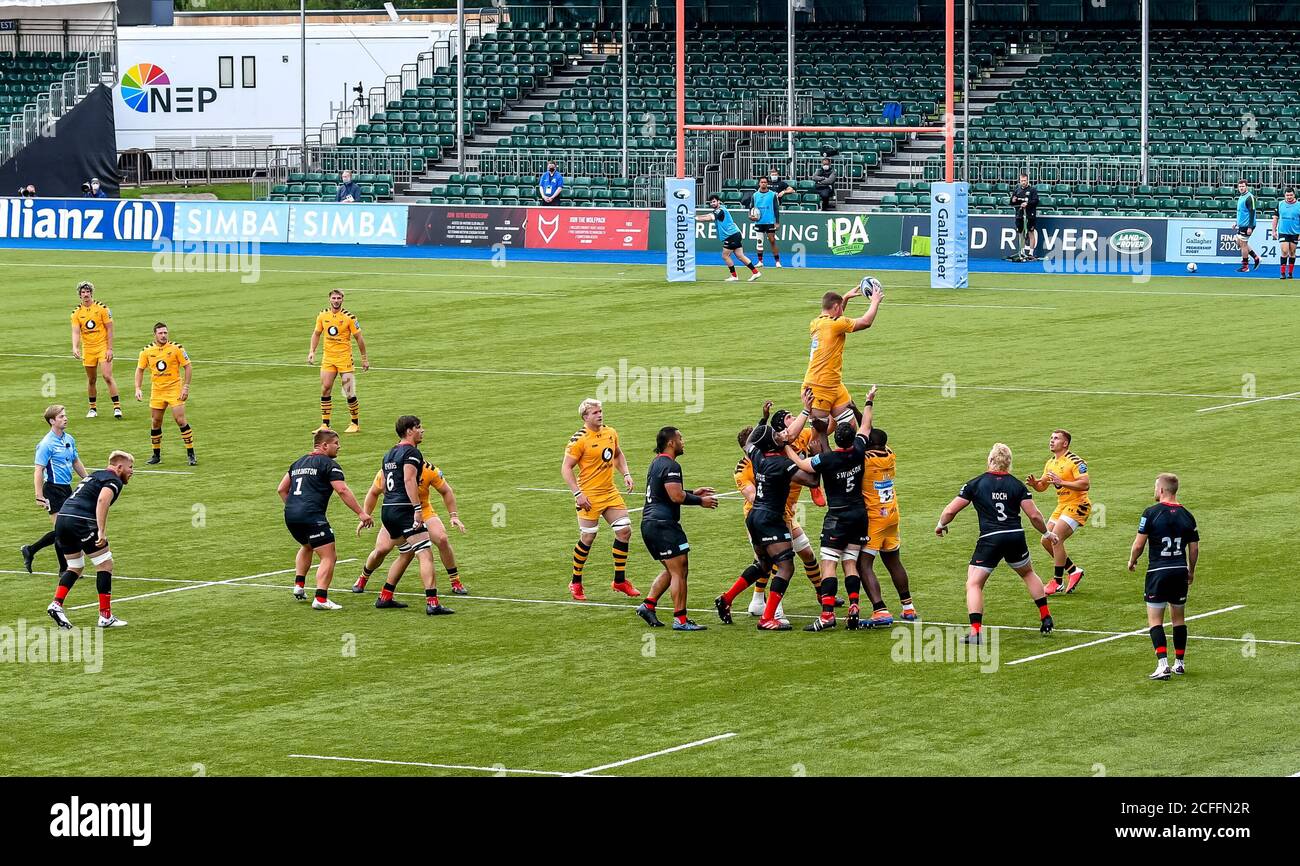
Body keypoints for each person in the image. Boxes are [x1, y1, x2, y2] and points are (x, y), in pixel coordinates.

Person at [935, 443, 1056, 644]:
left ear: (990, 460)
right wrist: (1047, 533)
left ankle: (975, 632)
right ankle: (1046, 617)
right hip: (1015, 536)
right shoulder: (1017, 485)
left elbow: (950, 511)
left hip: (990, 539)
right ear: (1009, 463)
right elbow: (1034, 515)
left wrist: (941, 525)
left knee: (974, 583)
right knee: (1027, 573)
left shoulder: (976, 483)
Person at [714, 400, 818, 631]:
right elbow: (812, 480)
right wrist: (815, 457)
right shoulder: (782, 463)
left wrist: (763, 420)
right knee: (786, 566)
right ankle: (768, 617)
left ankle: (727, 598)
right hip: (772, 518)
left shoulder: (758, 457)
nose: (781, 435)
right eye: (776, 435)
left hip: (756, 517)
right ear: (772, 442)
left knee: (763, 564)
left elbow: (750, 442)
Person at [790, 387, 880, 632]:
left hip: (838, 517)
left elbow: (800, 463)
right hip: (859, 515)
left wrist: (784, 445)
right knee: (850, 562)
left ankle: (827, 615)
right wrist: (868, 402)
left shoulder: (827, 461)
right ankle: (854, 606)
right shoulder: (860, 451)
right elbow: (866, 427)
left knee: (829, 564)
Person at [278, 429, 373, 610]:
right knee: (329, 556)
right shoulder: (329, 464)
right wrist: (361, 513)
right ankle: (321, 599)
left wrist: (293, 506)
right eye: (336, 443)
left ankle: (299, 586)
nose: (339, 447)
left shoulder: (297, 463)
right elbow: (342, 490)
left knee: (307, 545)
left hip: (291, 515)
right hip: (312, 516)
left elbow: (281, 489)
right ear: (324, 445)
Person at [634, 426, 718, 631]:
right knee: (679, 571)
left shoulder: (657, 463)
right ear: (671, 443)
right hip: (663, 525)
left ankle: (648, 605)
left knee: (675, 569)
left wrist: (691, 491)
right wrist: (700, 501)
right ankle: (680, 620)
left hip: (652, 524)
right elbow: (676, 497)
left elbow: (668, 492)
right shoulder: (671, 465)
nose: (683, 441)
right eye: (680, 438)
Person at [45, 450, 134, 630]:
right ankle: (105, 616)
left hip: (63, 520)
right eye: (130, 467)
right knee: (105, 565)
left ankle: (56, 605)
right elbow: (102, 501)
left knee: (75, 566)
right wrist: (101, 530)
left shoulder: (94, 476)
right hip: (81, 522)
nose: (132, 471)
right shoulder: (113, 480)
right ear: (119, 467)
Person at [353, 459, 468, 597]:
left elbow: (446, 491)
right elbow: (373, 492)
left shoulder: (428, 469)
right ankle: (363, 577)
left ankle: (455, 581)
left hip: (423, 511)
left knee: (442, 539)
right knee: (381, 550)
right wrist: (366, 515)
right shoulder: (388, 470)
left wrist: (453, 516)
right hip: (398, 513)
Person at [376, 415, 455, 615]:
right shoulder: (411, 453)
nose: (422, 431)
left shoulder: (389, 454)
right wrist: (417, 510)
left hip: (388, 509)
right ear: (409, 431)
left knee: (406, 552)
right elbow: (410, 480)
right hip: (404, 510)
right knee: (425, 554)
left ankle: (385, 597)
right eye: (419, 427)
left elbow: (384, 485)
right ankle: (433, 603)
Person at [562, 398, 638, 601]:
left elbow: (618, 454)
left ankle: (619, 581)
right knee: (588, 537)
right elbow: (566, 468)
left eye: (601, 411)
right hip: (589, 495)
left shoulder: (610, 432)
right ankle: (576, 582)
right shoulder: (578, 439)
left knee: (624, 531)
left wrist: (626, 474)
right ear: (585, 417)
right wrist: (578, 494)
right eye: (595, 412)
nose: (600, 415)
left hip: (610, 492)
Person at [1128, 473, 1199, 680]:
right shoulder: (1188, 515)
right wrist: (1191, 570)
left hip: (1158, 572)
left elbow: (1139, 544)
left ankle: (1162, 665)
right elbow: (1194, 549)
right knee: (1178, 618)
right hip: (1179, 570)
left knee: (1155, 620)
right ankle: (1180, 663)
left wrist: (1132, 560)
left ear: (1161, 490)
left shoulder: (1151, 513)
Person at [802, 277, 884, 432]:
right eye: (840, 307)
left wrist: (844, 299)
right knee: (819, 435)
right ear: (835, 307)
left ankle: (844, 455)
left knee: (850, 427)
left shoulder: (816, 322)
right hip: (818, 386)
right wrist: (875, 301)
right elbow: (866, 322)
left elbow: (836, 319)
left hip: (835, 384)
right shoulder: (835, 324)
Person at [858, 419, 917, 625]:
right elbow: (870, 433)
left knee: (863, 564)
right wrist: (862, 411)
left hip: (875, 518)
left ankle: (880, 609)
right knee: (893, 561)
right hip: (892, 515)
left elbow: (861, 440)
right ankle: (908, 608)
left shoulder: (865, 460)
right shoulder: (889, 455)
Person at [21, 405, 88, 576]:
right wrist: (39, 495)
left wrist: (87, 480)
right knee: (62, 530)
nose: (65, 419)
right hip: (52, 489)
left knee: (66, 529)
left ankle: (31, 549)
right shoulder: (46, 444)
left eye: (65, 416)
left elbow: (75, 461)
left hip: (66, 488)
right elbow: (38, 470)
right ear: (52, 421)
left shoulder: (69, 439)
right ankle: (64, 569)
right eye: (61, 417)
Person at [1025, 429, 1090, 595]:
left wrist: (1063, 482)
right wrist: (1035, 484)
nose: (1051, 441)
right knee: (1046, 540)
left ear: (1065, 443)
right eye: (1051, 438)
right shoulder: (1050, 463)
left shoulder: (1075, 461)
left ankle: (1057, 581)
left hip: (1078, 504)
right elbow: (1043, 486)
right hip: (1062, 506)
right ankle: (1073, 570)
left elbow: (1085, 484)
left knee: (1056, 538)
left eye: (1056, 438)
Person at [134, 322, 196, 466]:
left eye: (165, 333)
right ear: (154, 334)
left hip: (174, 389)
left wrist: (185, 386)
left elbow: (188, 366)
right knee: (155, 422)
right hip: (157, 391)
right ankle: (156, 455)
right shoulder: (146, 351)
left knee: (180, 420)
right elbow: (140, 369)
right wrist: (138, 388)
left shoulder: (176, 348)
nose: (163, 336)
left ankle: (191, 453)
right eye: (161, 333)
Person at [308, 289, 368, 433]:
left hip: (344, 358)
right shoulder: (322, 315)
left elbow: (359, 338)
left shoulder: (350, 318)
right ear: (329, 299)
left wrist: (364, 358)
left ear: (342, 300)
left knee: (349, 390)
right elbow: (316, 334)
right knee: (325, 388)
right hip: (328, 358)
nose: (336, 300)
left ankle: (355, 423)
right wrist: (312, 351)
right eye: (334, 298)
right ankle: (325, 424)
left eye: (338, 298)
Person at [70, 281, 122, 419]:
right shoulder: (76, 313)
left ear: (91, 293)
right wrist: (75, 347)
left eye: (88, 292)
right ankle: (92, 408)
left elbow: (110, 328)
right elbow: (76, 332)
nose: (86, 294)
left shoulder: (102, 309)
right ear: (79, 295)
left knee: (107, 376)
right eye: (83, 292)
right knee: (91, 379)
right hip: (88, 349)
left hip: (102, 347)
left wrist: (110, 348)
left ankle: (117, 407)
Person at [696, 194, 761, 282]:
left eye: (714, 201)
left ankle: (734, 276)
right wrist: (696, 217)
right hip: (735, 234)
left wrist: (695, 218)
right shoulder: (717, 210)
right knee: (740, 256)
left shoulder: (720, 210)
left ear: (719, 201)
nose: (712, 203)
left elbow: (708, 218)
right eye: (711, 202)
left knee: (725, 255)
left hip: (732, 236)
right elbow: (707, 215)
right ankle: (755, 272)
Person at [746, 176, 783, 268]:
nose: (763, 183)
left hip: (769, 221)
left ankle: (777, 261)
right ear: (759, 183)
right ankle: (760, 261)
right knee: (759, 241)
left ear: (767, 183)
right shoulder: (755, 195)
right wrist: (750, 216)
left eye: (765, 182)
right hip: (759, 222)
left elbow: (776, 208)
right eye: (762, 182)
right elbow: (751, 208)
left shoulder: (772, 194)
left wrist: (777, 222)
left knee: (772, 240)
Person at [1271, 186, 1300, 279]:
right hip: (1283, 231)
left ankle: (1290, 273)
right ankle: (1282, 273)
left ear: (1294, 195)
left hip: (1295, 232)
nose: (1289, 197)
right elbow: (1275, 218)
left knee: (1292, 252)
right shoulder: (1280, 204)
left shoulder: (1299, 205)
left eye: (1291, 195)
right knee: (1284, 251)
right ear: (1284, 195)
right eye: (1287, 195)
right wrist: (1274, 230)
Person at [1010, 172, 1039, 260]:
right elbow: (1011, 203)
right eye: (1022, 180)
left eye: (1025, 180)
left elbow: (1036, 201)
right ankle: (1021, 251)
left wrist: (1027, 203)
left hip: (1030, 215)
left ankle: (1030, 253)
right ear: (1020, 181)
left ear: (1027, 180)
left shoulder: (1032, 190)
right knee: (1021, 233)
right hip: (1020, 215)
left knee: (1031, 232)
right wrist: (1013, 200)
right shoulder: (1017, 190)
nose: (1023, 182)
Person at [1234, 179, 1261, 272]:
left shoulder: (1250, 197)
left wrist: (1250, 226)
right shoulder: (1241, 197)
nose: (1241, 188)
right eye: (1240, 186)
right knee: (1238, 241)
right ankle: (1256, 257)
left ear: (1246, 187)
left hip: (1247, 225)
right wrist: (1236, 223)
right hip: (1241, 224)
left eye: (1243, 186)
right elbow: (1240, 212)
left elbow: (1252, 212)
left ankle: (1245, 267)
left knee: (1243, 244)